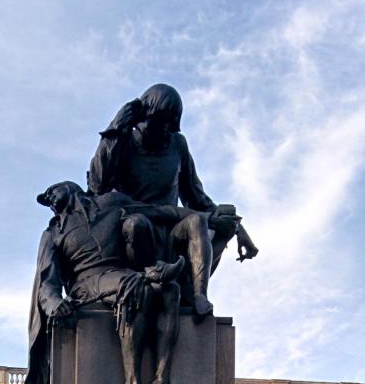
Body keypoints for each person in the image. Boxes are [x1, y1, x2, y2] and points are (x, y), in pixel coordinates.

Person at [26, 181, 187, 384]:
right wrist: (55, 303)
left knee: (170, 291)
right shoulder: (53, 233)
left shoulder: (111, 204)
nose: (50, 199)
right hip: (85, 284)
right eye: (47, 198)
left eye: (52, 192)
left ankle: (161, 379)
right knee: (136, 286)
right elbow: (47, 279)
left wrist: (204, 218)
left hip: (119, 271)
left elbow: (159, 212)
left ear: (70, 188)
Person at [87, 84, 258, 317]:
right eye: (163, 121)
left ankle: (198, 297)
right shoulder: (123, 142)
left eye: (173, 122)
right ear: (146, 115)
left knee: (198, 221)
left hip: (171, 229)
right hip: (133, 233)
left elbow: (197, 198)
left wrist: (237, 227)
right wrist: (116, 128)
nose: (168, 129)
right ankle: (147, 287)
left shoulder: (178, 144)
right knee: (137, 225)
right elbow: (98, 186)